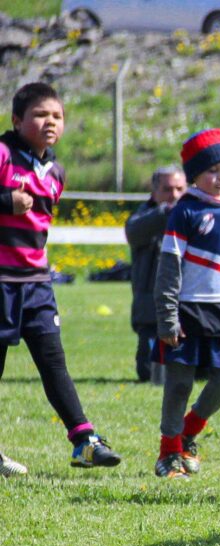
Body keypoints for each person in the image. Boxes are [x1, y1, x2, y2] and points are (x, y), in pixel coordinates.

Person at [0, 82, 122, 469]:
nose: (50, 122)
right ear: (18, 120)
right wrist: (5, 201)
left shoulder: (56, 171)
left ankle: (85, 440)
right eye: (40, 115)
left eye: (57, 116)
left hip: (36, 284)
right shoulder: (2, 154)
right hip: (0, 283)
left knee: (54, 363)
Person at [152, 128, 220, 479]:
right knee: (178, 384)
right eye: (212, 169)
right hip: (187, 311)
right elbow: (169, 267)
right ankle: (168, 453)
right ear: (195, 175)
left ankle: (189, 430)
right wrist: (167, 317)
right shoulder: (185, 211)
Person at [125, 165, 187, 384]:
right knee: (148, 373)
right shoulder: (144, 217)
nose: (175, 195)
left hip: (188, 311)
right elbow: (133, 232)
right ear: (154, 191)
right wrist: (166, 213)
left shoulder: (193, 216)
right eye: (168, 189)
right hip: (151, 314)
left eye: (180, 189)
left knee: (199, 371)